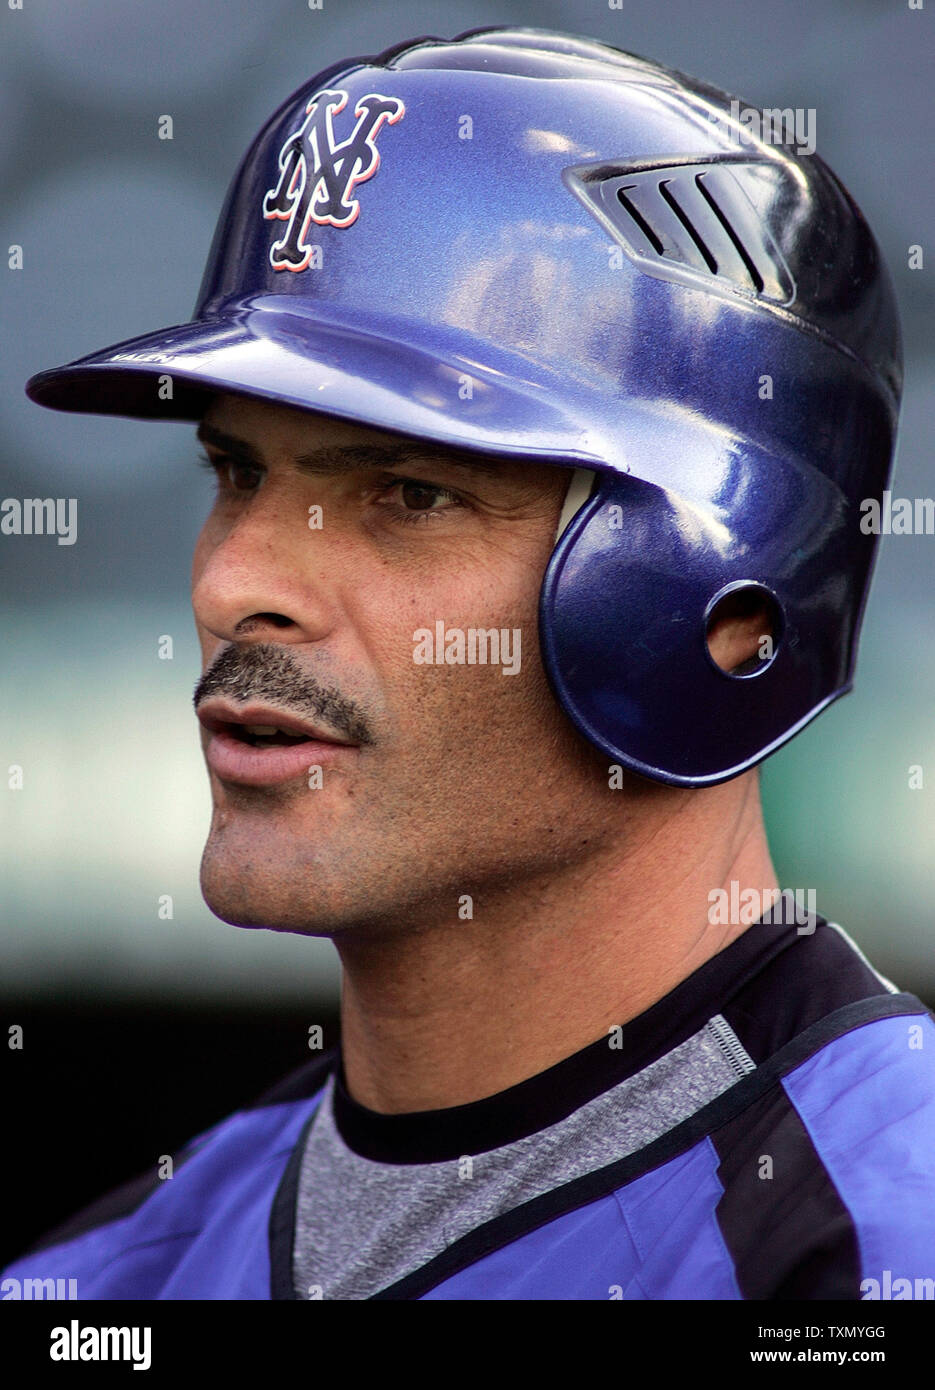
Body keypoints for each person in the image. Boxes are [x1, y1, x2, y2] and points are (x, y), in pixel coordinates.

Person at [4, 25, 933, 1302]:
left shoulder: (868, 1249)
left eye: (411, 491)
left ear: (725, 598)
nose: (233, 584)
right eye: (237, 472)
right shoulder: (100, 1287)